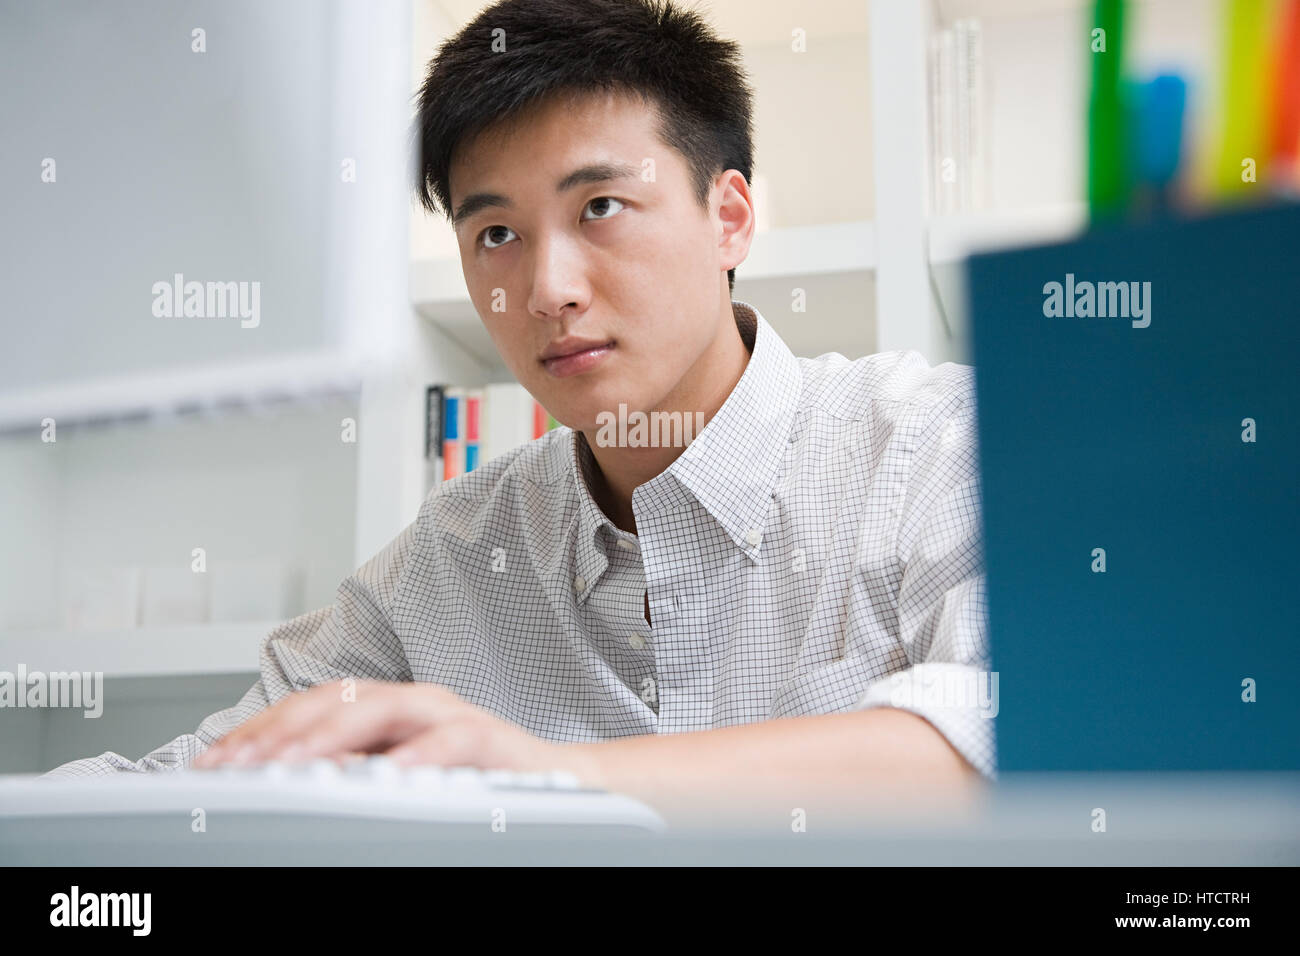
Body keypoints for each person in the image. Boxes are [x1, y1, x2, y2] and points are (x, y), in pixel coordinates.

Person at [49, 0, 994, 820]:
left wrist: (551, 778)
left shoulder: (934, 444)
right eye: (495, 232)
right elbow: (203, 777)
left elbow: (1010, 734)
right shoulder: (453, 554)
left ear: (729, 216)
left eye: (602, 207)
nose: (547, 289)